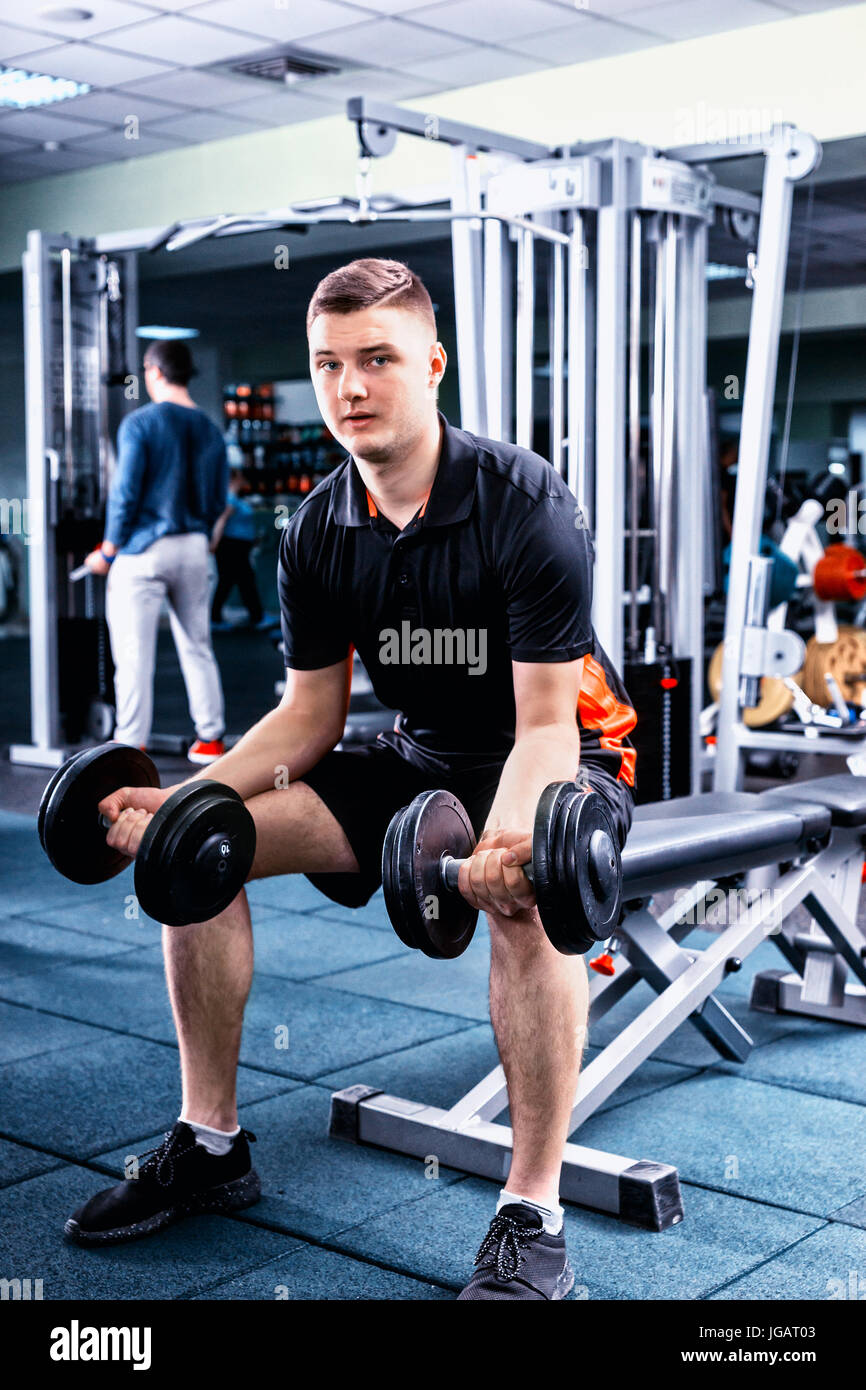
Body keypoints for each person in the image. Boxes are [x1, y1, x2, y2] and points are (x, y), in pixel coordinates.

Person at [67, 259, 638, 1301]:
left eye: (377, 359)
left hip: (562, 756)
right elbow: (309, 715)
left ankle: (532, 1215)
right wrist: (188, 799)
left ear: (433, 364)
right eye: (328, 365)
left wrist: (498, 849)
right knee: (199, 852)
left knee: (528, 895)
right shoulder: (316, 529)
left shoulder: (525, 504)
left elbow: (547, 725)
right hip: (418, 757)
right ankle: (211, 1145)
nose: (350, 387)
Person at [85, 340, 229, 764]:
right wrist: (203, 535)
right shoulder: (211, 429)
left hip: (143, 552)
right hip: (194, 548)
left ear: (154, 372)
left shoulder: (140, 423)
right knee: (197, 645)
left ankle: (131, 746)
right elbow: (219, 500)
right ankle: (210, 739)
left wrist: (107, 550)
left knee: (133, 655)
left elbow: (125, 493)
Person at [210, 469, 268, 630]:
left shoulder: (235, 498)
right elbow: (221, 520)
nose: (243, 480)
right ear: (234, 479)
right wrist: (214, 542)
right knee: (234, 581)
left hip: (238, 546)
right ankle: (255, 617)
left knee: (239, 581)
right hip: (231, 546)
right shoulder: (229, 499)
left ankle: (256, 616)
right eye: (241, 477)